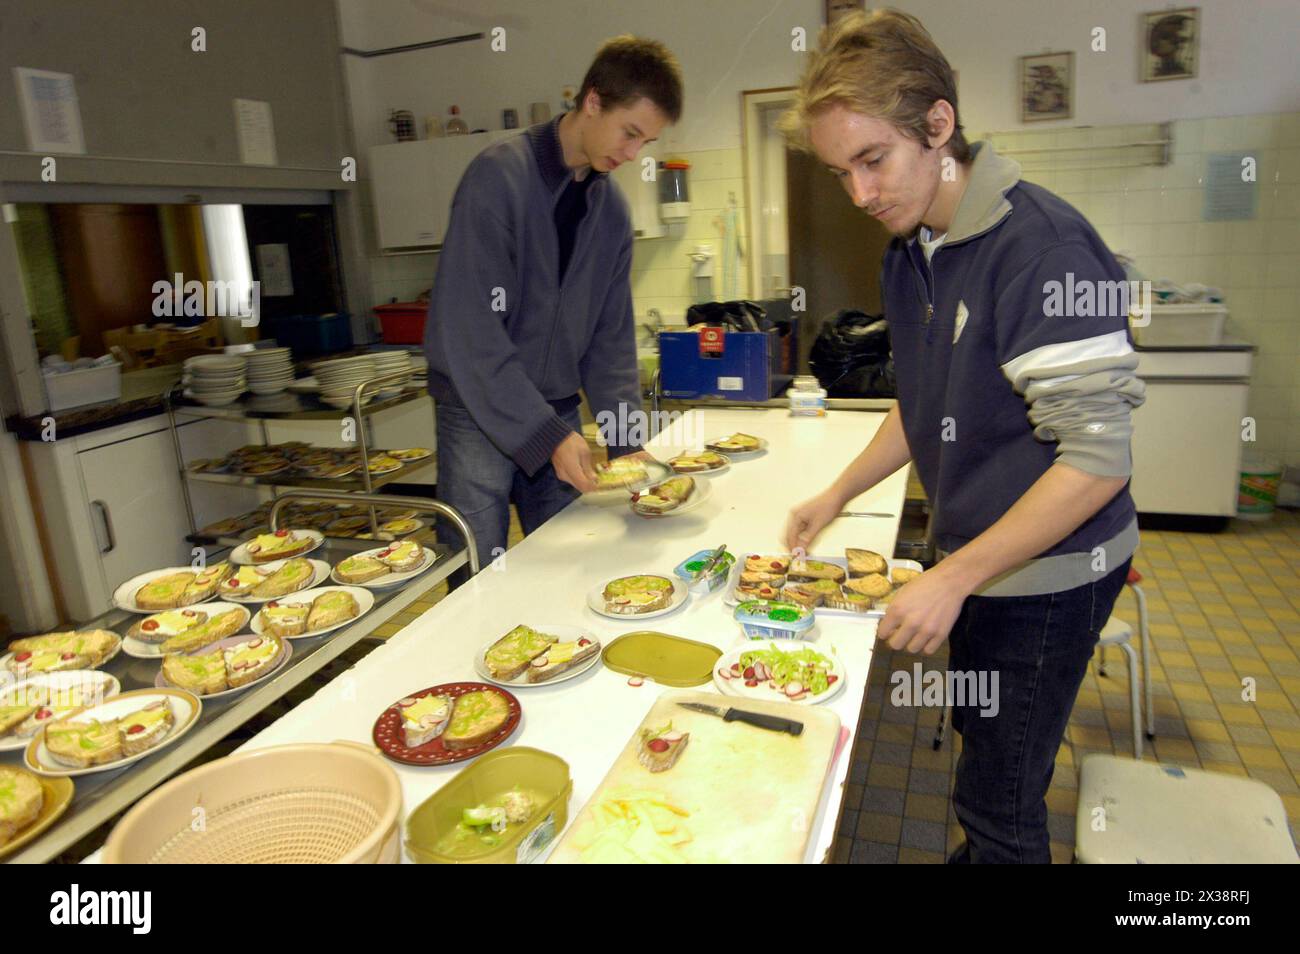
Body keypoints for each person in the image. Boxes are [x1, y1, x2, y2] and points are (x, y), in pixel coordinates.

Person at [780, 10, 1145, 863]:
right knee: (987, 759)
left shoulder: (1043, 251)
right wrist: (837, 492)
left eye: (875, 160)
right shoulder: (915, 245)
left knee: (1002, 803)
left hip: (1052, 572)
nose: (862, 195)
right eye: (842, 172)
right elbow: (923, 399)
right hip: (981, 555)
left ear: (939, 125)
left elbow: (1096, 461)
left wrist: (953, 577)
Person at [424, 36, 682, 571]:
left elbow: (609, 339)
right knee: (475, 573)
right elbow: (471, 331)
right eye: (629, 133)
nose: (633, 154)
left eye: (646, 142)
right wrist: (546, 434)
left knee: (564, 567)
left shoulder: (610, 209)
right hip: (477, 412)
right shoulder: (498, 178)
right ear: (592, 101)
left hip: (558, 412)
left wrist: (624, 439)